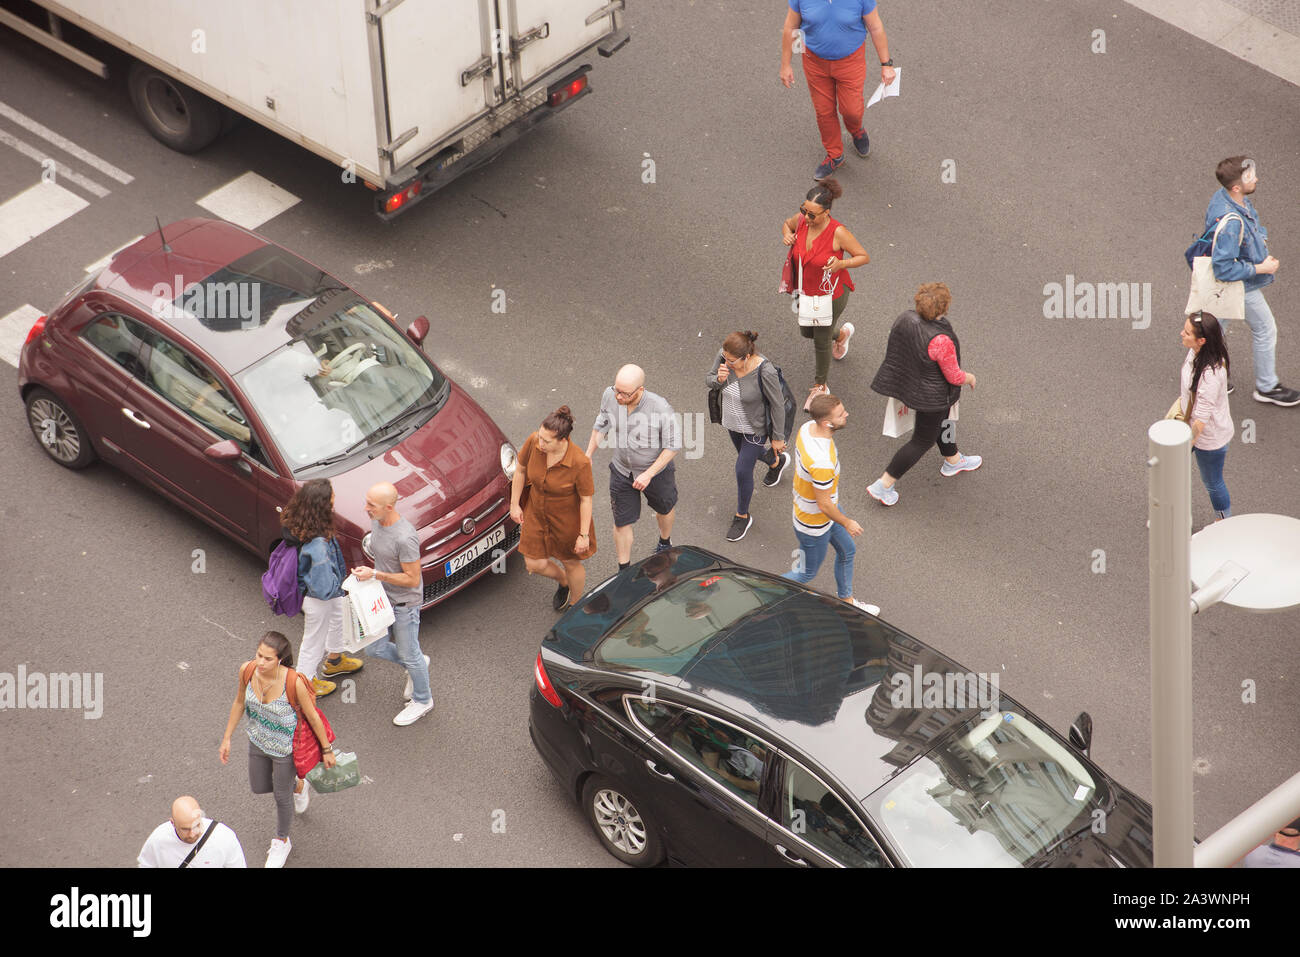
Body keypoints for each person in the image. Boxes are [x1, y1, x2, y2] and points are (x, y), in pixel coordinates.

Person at [218, 631, 336, 868]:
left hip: (286, 750)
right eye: (259, 655)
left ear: (280, 659)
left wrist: (326, 749)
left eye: (268, 658)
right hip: (257, 740)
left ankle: (282, 840)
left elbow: (312, 717)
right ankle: (299, 786)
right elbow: (239, 701)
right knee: (259, 786)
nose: (260, 662)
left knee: (282, 797)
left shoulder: (294, 682)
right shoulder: (247, 671)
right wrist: (227, 737)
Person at [867, 283, 981, 506]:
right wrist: (970, 378)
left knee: (945, 420)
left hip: (912, 384)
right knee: (921, 440)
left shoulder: (905, 319)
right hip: (933, 396)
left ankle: (953, 458)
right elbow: (954, 376)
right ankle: (883, 484)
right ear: (944, 307)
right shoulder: (941, 340)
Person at [1205, 156, 1297, 406]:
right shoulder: (1231, 222)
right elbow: (1224, 268)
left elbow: (1253, 226)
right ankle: (1266, 387)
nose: (1256, 178)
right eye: (1250, 177)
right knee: (1265, 329)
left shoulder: (1228, 198)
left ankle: (1208, 380)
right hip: (1239, 285)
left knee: (1215, 331)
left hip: (1225, 286)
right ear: (1236, 187)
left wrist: (1260, 244)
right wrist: (1261, 267)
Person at [781, 393, 878, 614]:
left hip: (823, 512)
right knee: (805, 573)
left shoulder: (808, 428)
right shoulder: (821, 461)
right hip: (815, 522)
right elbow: (823, 504)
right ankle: (766, 592)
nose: (847, 415)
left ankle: (847, 601)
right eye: (841, 414)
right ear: (827, 423)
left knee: (847, 551)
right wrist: (847, 522)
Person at [779, 179, 870, 409]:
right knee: (806, 331)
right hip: (804, 290)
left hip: (830, 294)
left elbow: (863, 256)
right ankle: (840, 335)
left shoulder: (838, 232)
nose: (806, 218)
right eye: (804, 211)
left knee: (820, 339)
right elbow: (786, 225)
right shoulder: (801, 220)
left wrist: (842, 263)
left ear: (826, 213)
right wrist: (787, 235)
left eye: (812, 215)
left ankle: (820, 386)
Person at [780, 1, 895, 179]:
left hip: (850, 62)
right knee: (824, 111)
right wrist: (785, 65)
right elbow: (790, 27)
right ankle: (835, 155)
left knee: (852, 111)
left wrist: (886, 64)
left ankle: (856, 130)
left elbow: (876, 27)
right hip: (814, 62)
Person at [351, 482, 434, 727]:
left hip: (404, 604)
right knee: (372, 649)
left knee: (409, 652)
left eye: (371, 505)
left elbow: (412, 579)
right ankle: (418, 663)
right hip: (381, 598)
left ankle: (423, 700)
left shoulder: (405, 537)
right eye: (366, 501)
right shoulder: (377, 522)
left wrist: (376, 575)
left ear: (389, 507)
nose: (365, 508)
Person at [584, 364, 681, 569]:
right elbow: (602, 424)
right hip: (621, 470)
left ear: (640, 390)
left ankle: (665, 542)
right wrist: (589, 454)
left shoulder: (660, 408)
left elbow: (673, 446)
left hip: (656, 472)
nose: (618, 397)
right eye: (616, 390)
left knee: (664, 508)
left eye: (625, 394)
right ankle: (624, 569)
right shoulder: (610, 395)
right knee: (621, 521)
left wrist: (648, 474)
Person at [279, 479, 362, 697]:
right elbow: (324, 587)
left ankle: (334, 660)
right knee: (313, 640)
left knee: (338, 617)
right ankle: (305, 683)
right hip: (318, 597)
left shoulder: (303, 522)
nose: (335, 499)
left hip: (323, 593)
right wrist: (345, 584)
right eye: (331, 497)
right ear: (322, 505)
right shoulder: (317, 545)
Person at [706, 331, 791, 542]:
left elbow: (778, 405)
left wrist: (777, 438)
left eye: (732, 361)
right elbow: (709, 380)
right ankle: (774, 462)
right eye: (725, 358)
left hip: (755, 428)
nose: (727, 362)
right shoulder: (725, 356)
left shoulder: (765, 371)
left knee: (743, 469)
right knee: (749, 457)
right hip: (732, 423)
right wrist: (719, 378)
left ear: (746, 357)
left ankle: (742, 516)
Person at [511, 406, 597, 610]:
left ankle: (575, 605)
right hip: (536, 512)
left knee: (571, 562)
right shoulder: (534, 442)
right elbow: (521, 470)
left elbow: (586, 499)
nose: (540, 443)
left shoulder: (579, 462)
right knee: (534, 564)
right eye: (540, 436)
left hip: (566, 520)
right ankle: (563, 581)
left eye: (546, 441)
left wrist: (583, 535)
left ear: (563, 440)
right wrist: (514, 504)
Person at [1178, 311, 1233, 521]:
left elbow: (1201, 420)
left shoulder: (1210, 375)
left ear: (1201, 340)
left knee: (1213, 482)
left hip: (1208, 438)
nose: (1181, 334)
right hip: (1189, 424)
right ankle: (1173, 511)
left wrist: (1184, 445)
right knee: (1171, 469)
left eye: (1187, 332)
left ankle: (1224, 521)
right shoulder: (1197, 351)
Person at [137, 796, 245, 868]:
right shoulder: (158, 840)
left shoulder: (224, 837)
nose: (192, 834)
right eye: (185, 829)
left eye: (196, 825)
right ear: (172, 823)